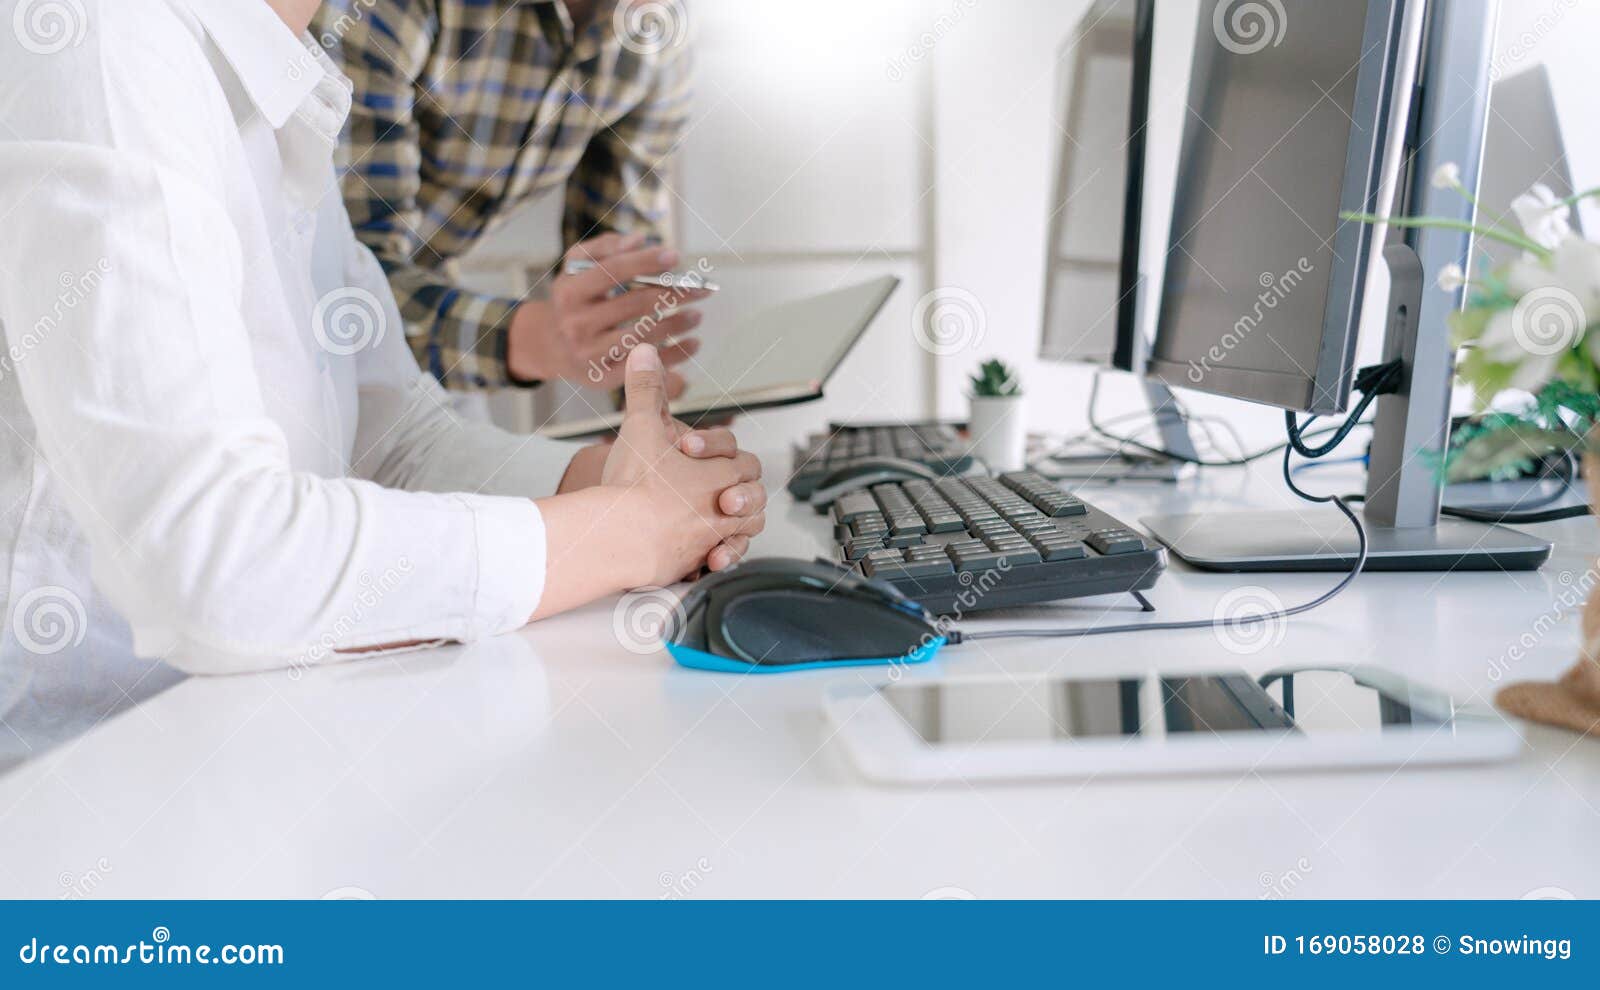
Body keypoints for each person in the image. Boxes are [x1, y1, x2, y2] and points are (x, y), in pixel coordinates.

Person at [0, 0, 765, 763]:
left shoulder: (282, 75)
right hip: (62, 780)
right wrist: (611, 535)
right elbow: (216, 565)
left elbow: (392, 437)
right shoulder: (105, 42)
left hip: (221, 744)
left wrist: (595, 479)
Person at [314, 0, 706, 396]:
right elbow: (338, 276)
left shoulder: (658, 33)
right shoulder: (377, 10)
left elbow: (622, 277)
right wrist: (535, 339)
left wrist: (654, 409)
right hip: (294, 339)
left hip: (425, 329)